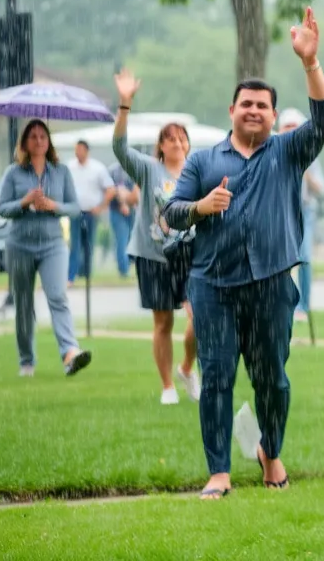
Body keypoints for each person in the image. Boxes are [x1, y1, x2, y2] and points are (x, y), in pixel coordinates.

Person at [164, 6, 324, 499]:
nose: (254, 110)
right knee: (217, 378)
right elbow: (170, 213)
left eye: (263, 105)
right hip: (213, 285)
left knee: (273, 381)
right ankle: (219, 471)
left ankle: (271, 453)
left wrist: (310, 62)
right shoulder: (202, 160)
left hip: (273, 284)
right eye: (247, 104)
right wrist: (200, 206)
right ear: (232, 111)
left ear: (273, 115)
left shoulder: (287, 151)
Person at [112, 69, 200, 405]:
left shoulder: (198, 169)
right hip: (154, 255)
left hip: (191, 254)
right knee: (162, 322)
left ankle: (187, 368)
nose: (177, 143)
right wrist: (125, 103)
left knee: (200, 317)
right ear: (160, 146)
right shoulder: (150, 170)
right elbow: (119, 147)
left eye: (182, 138)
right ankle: (167, 386)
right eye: (170, 138)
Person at [0, 120, 93, 378]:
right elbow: (3, 208)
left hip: (53, 245)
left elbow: (74, 208)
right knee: (24, 305)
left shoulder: (60, 172)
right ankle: (26, 361)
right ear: (25, 142)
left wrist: (53, 206)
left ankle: (70, 352)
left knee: (58, 296)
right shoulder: (13, 173)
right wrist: (25, 202)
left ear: (48, 141)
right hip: (19, 246)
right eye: (33, 136)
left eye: (43, 136)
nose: (39, 141)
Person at [278, 108, 324, 323]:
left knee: (304, 257)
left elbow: (321, 188)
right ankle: (282, 303)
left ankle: (303, 305)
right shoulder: (273, 152)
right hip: (279, 210)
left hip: (304, 210)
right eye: (286, 127)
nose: (290, 131)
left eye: (293, 127)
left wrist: (304, 171)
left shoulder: (309, 155)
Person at [66, 140, 114, 287]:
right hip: (75, 212)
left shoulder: (97, 168)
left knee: (88, 245)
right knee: (75, 244)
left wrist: (100, 207)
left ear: (87, 151)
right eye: (76, 150)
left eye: (80, 149)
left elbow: (111, 189)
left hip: (91, 212)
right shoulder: (69, 167)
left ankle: (86, 274)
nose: (77, 152)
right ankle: (71, 276)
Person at [109, 160, 138, 280]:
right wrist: (123, 204)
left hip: (133, 210)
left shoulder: (134, 167)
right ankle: (124, 270)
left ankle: (128, 265)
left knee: (131, 239)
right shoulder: (114, 170)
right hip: (118, 210)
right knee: (122, 240)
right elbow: (118, 189)